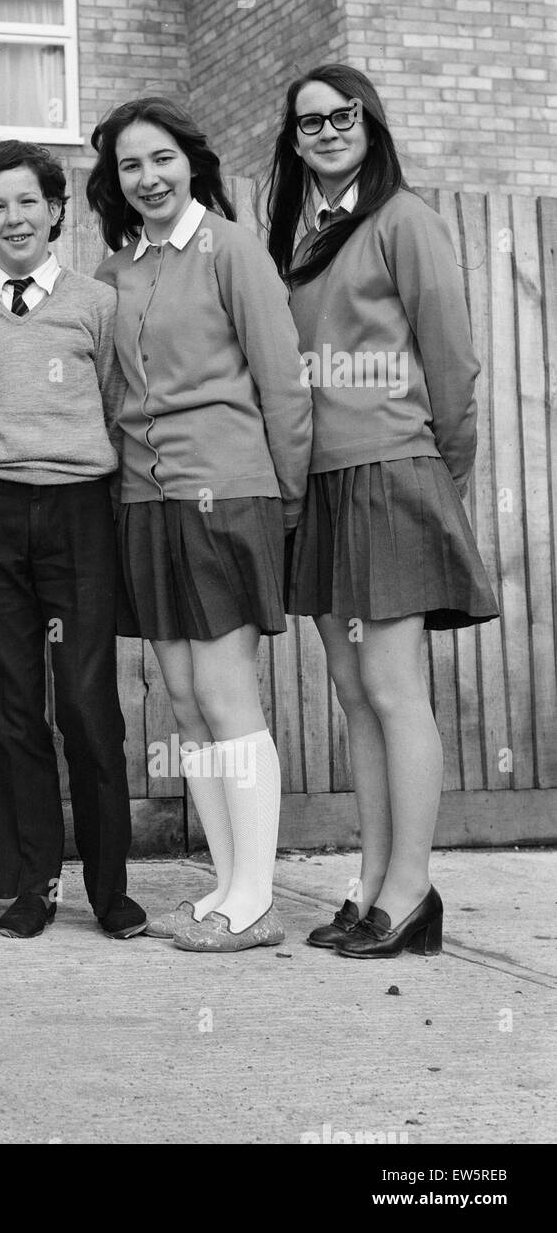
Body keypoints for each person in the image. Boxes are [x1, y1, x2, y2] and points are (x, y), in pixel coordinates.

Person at [265, 64, 498, 959]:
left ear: (372, 122)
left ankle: (411, 892)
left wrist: (441, 484)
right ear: (292, 142)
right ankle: (369, 885)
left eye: (342, 115)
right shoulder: (303, 237)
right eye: (308, 122)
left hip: (393, 475)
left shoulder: (406, 221)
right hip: (323, 485)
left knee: (396, 692)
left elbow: (455, 368)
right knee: (355, 696)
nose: (326, 130)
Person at [88, 97, 313, 952]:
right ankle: (226, 886)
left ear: (193, 162)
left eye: (161, 159)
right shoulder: (115, 273)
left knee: (225, 695)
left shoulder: (232, 248)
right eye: (129, 166)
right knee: (184, 701)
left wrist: (283, 502)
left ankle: (256, 903)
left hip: (230, 495)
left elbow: (284, 384)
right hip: (145, 504)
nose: (148, 178)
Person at [0, 140, 144, 941]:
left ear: (56, 210)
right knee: (6, 706)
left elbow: (125, 411)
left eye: (28, 202)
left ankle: (110, 888)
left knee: (90, 706)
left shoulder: (97, 303)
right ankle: (34, 882)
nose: (14, 218)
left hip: (80, 511)